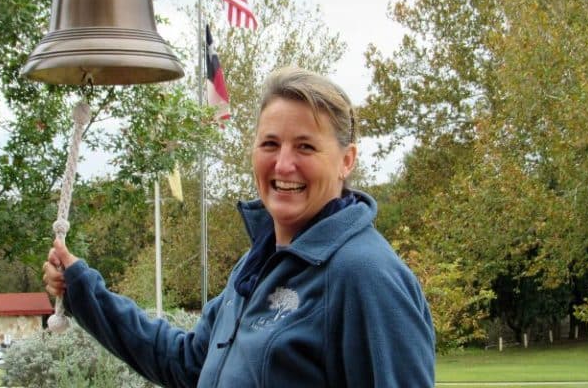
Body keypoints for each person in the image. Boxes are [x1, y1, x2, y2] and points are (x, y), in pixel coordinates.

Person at [44, 66, 435, 387]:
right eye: (270, 144)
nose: (283, 164)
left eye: (305, 146)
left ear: (346, 160)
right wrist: (82, 290)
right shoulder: (257, 264)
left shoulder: (365, 275)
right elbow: (186, 363)